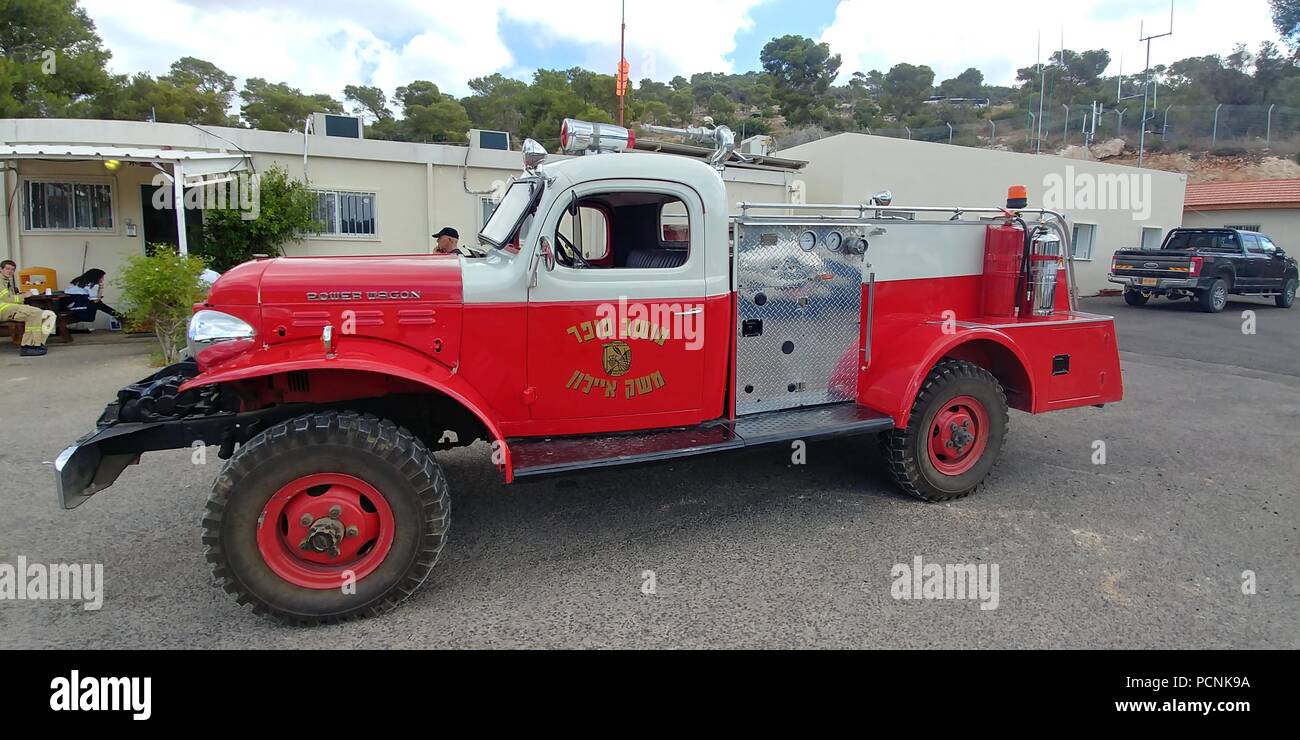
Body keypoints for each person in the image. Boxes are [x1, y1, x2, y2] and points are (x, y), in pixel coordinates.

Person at [0, 259, 54, 357]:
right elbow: (7, 299)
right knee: (36, 312)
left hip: (12, 309)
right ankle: (27, 346)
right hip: (3, 310)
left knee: (49, 315)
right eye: (7, 269)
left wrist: (21, 296)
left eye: (12, 269)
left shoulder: (7, 281)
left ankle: (38, 344)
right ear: (1, 269)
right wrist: (24, 296)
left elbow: (13, 298)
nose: (10, 271)